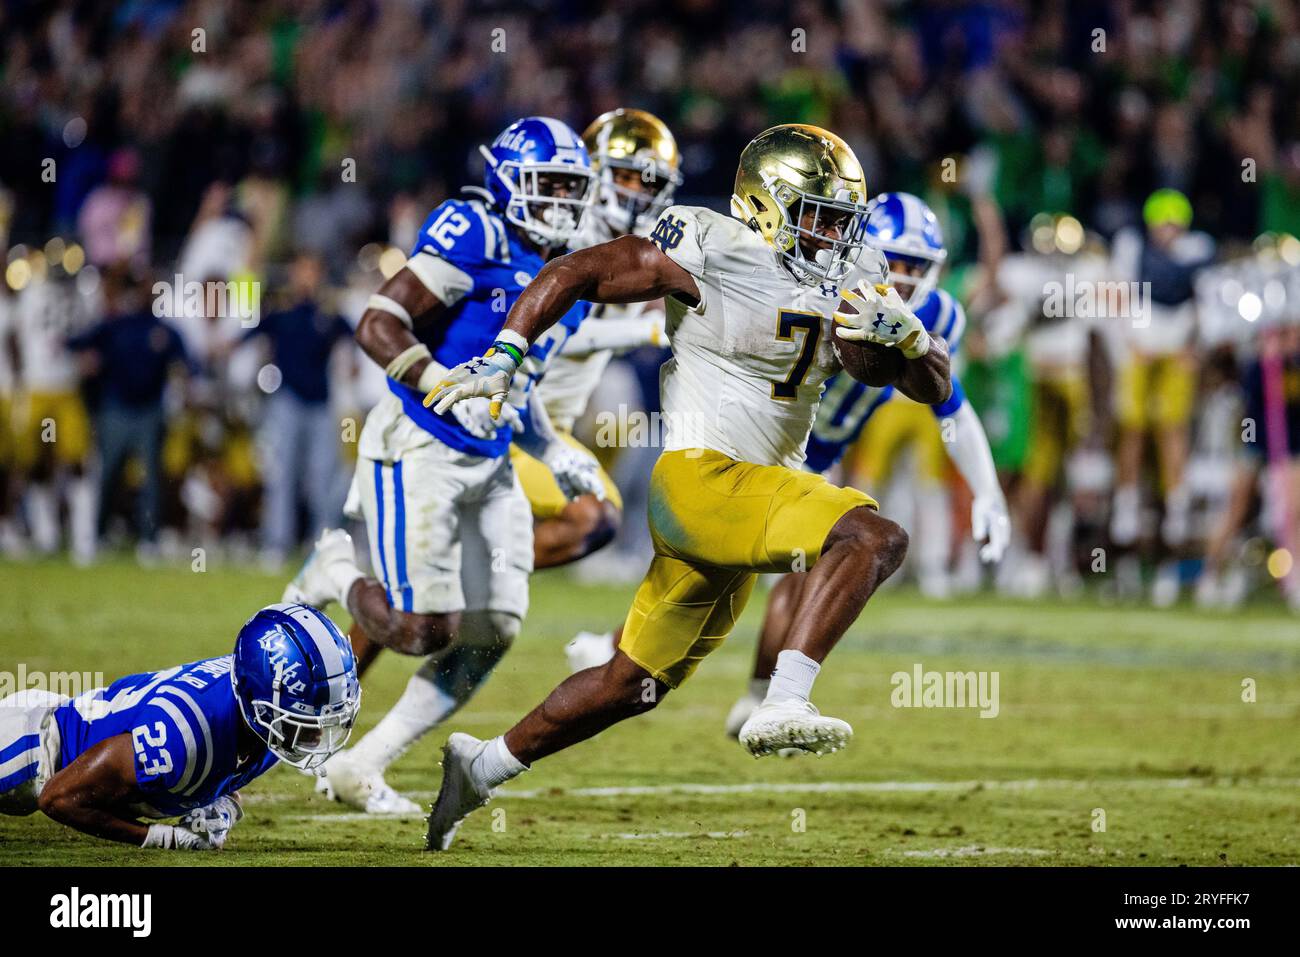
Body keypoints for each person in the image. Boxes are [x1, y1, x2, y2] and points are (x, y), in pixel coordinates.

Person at [423, 123, 951, 849]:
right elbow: (578, 270)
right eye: (817, 214)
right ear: (767, 204)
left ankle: (479, 767)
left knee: (628, 684)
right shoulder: (713, 244)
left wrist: (912, 339)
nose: (832, 234)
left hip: (747, 496)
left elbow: (927, 382)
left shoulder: (850, 263)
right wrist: (508, 350)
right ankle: (781, 699)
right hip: (701, 478)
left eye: (841, 218)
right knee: (874, 535)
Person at [282, 117, 601, 814]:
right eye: (548, 188)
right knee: (424, 628)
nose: (562, 205)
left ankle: (363, 762)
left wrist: (552, 450)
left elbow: (521, 386)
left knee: (496, 628)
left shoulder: (567, 272)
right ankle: (337, 566)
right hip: (420, 441)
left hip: (488, 460)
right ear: (509, 183)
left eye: (572, 190)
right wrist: (439, 386)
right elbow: (377, 322)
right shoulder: (476, 231)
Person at [0, 603, 360, 849]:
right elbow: (57, 797)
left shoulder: (261, 719)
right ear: (259, 700)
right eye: (307, 717)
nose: (316, 733)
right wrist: (159, 838)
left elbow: (222, 771)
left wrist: (225, 808)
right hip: (29, 749)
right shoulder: (183, 736)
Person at [513, 108, 678, 570]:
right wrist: (645, 329)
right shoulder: (560, 233)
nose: (637, 192)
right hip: (511, 421)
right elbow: (555, 332)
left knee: (598, 514)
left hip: (551, 429)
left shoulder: (639, 247)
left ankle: (477, 575)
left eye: (649, 183)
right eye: (626, 176)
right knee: (593, 515)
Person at [67, 265, 191, 559]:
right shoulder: (115, 325)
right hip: (116, 410)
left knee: (149, 479)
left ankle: (149, 539)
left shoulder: (162, 329)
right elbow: (77, 343)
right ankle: (96, 537)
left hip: (149, 411)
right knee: (108, 474)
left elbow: (185, 362)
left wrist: (182, 379)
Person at [239, 251, 353, 565]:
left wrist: (350, 362)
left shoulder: (328, 313)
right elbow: (248, 338)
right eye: (301, 271)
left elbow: (353, 341)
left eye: (311, 271)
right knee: (282, 475)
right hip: (286, 401)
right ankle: (276, 544)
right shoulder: (281, 310)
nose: (306, 278)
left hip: (320, 403)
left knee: (322, 479)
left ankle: (321, 547)